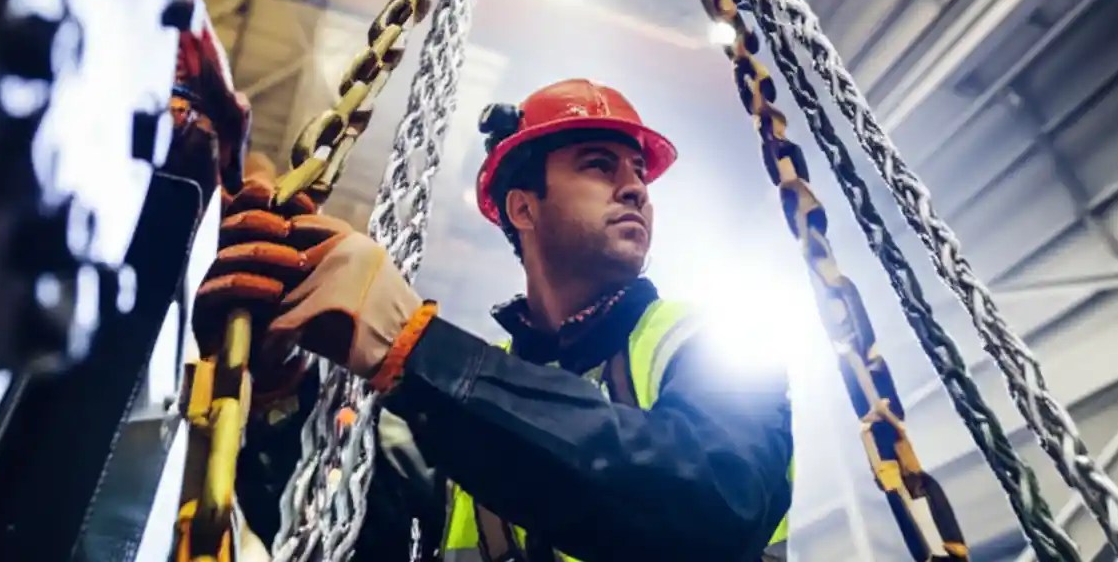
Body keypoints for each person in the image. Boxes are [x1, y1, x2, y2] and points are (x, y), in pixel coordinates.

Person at [194, 78, 794, 562]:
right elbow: (347, 539)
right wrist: (278, 393)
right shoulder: (459, 406)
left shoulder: (710, 342)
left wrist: (416, 350)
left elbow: (714, 510)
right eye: (599, 165)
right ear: (522, 207)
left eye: (637, 171)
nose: (635, 188)